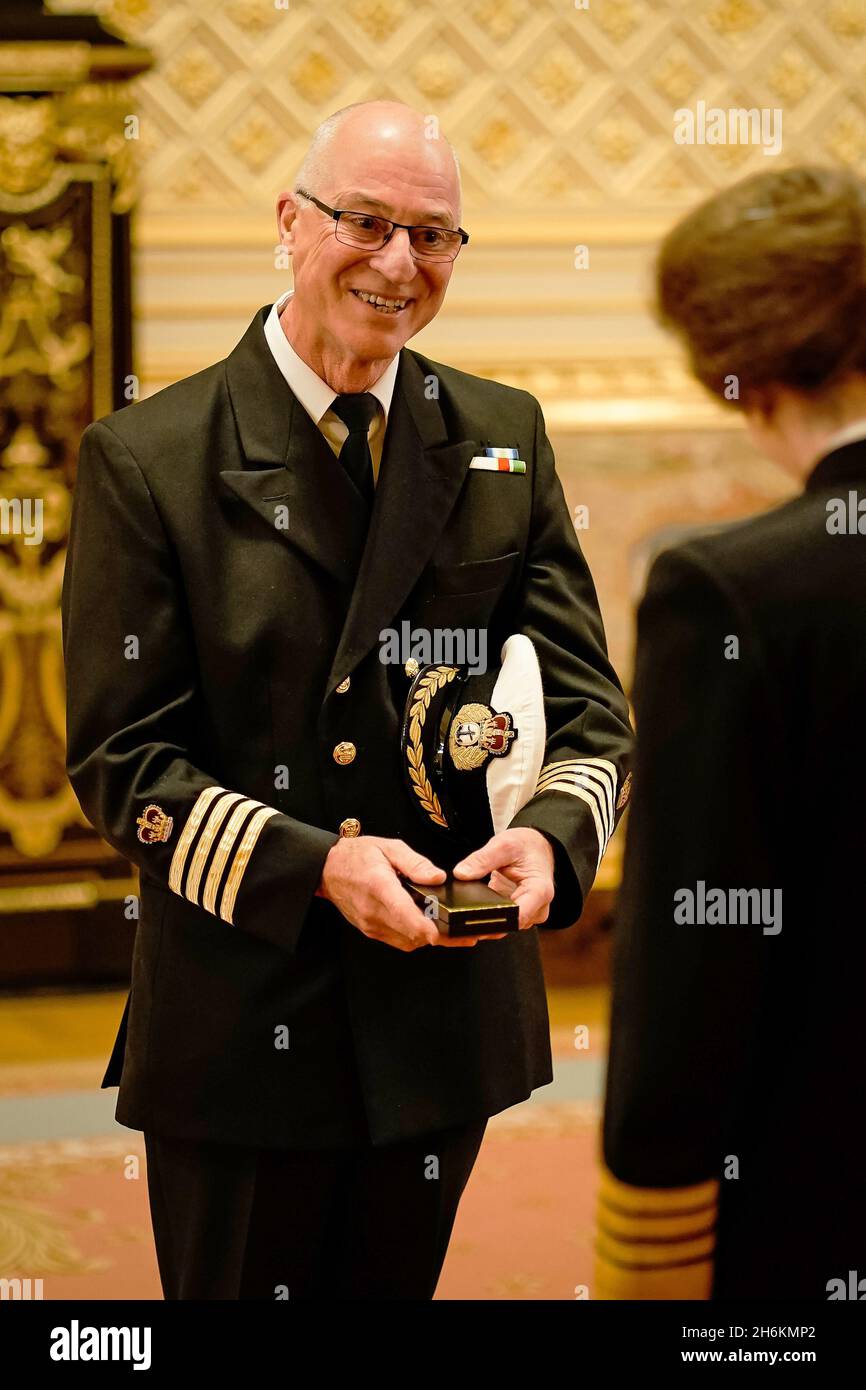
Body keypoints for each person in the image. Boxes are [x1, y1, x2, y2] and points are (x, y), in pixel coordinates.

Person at [61, 99, 632, 1300]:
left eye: (433, 235)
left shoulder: (497, 437)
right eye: (364, 221)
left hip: (440, 1017)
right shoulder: (150, 457)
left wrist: (550, 835)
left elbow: (589, 708)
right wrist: (319, 865)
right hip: (245, 1019)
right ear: (288, 223)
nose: (396, 263)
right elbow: (125, 763)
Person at [598, 164, 866, 1300]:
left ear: (739, 382)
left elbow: (689, 960)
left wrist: (644, 1243)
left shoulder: (728, 590)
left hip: (821, 1184)